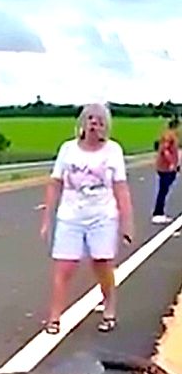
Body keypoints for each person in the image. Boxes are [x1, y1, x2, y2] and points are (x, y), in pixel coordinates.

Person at [40, 102, 133, 334]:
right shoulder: (68, 150)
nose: (95, 124)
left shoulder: (113, 151)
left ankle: (109, 306)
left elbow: (121, 188)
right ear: (82, 123)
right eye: (91, 119)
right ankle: (54, 317)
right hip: (71, 216)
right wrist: (46, 218)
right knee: (65, 266)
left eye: (100, 121)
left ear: (106, 126)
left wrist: (127, 223)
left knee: (102, 264)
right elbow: (55, 183)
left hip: (102, 216)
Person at [152, 117, 179, 223]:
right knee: (163, 190)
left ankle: (159, 212)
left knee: (164, 189)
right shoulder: (170, 135)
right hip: (165, 168)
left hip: (166, 167)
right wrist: (171, 163)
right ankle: (158, 213)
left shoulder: (169, 134)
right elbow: (165, 150)